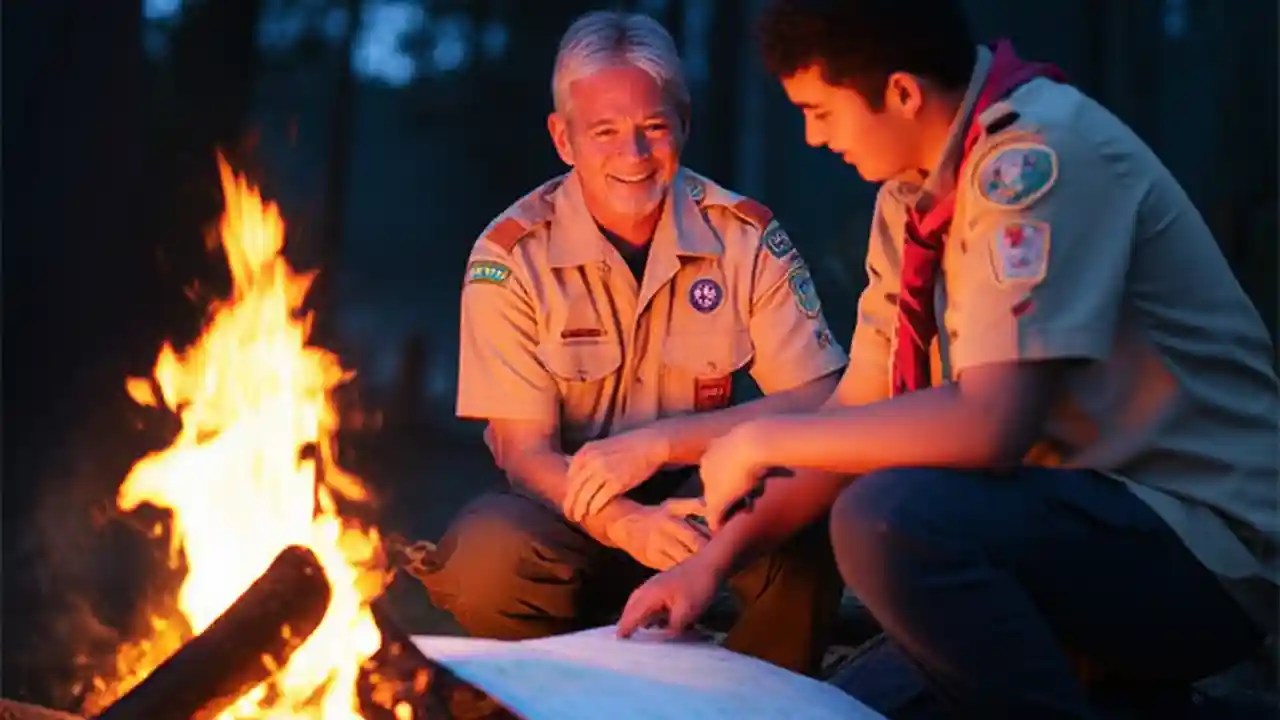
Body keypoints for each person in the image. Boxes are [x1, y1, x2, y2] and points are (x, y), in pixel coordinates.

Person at [617, 0, 1278, 717]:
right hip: (1059, 530)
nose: (811, 137)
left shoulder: (1036, 160)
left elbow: (991, 424)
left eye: (821, 111)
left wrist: (760, 437)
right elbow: (857, 418)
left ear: (901, 93)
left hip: (1199, 547)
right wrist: (708, 564)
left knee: (888, 516)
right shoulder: (913, 193)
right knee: (846, 708)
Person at [407, 9, 849, 677]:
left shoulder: (744, 237)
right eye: (604, 132)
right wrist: (622, 523)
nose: (633, 157)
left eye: (652, 129)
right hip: (572, 505)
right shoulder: (510, 256)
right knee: (486, 561)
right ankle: (565, 691)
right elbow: (525, 452)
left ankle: (752, 698)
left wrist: (663, 443)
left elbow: (819, 397)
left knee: (810, 518)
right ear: (563, 139)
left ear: (684, 126)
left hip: (710, 494)